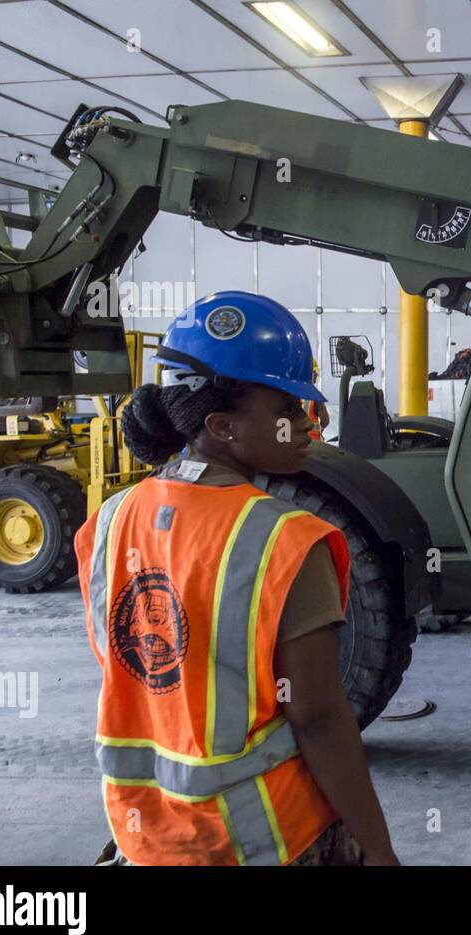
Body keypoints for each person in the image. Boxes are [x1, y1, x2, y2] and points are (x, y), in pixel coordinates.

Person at [75, 290, 398, 866]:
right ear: (221, 426)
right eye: (287, 411)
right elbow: (319, 718)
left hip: (148, 839)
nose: (306, 425)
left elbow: (139, 672)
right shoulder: (286, 541)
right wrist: (377, 848)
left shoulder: (110, 522)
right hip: (267, 838)